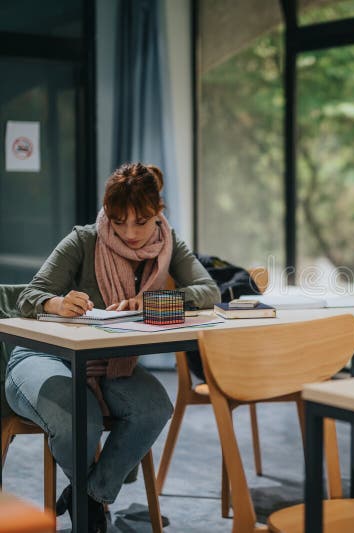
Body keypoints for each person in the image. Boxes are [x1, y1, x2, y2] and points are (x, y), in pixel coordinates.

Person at [4, 163, 220, 532]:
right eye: (119, 221)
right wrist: (54, 304)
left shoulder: (169, 244)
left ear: (159, 212)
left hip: (108, 362)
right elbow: (29, 295)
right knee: (79, 418)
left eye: (142, 221)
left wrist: (155, 301)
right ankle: (90, 518)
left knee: (153, 408)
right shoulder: (83, 239)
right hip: (43, 356)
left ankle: (89, 496)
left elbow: (209, 292)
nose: (130, 232)